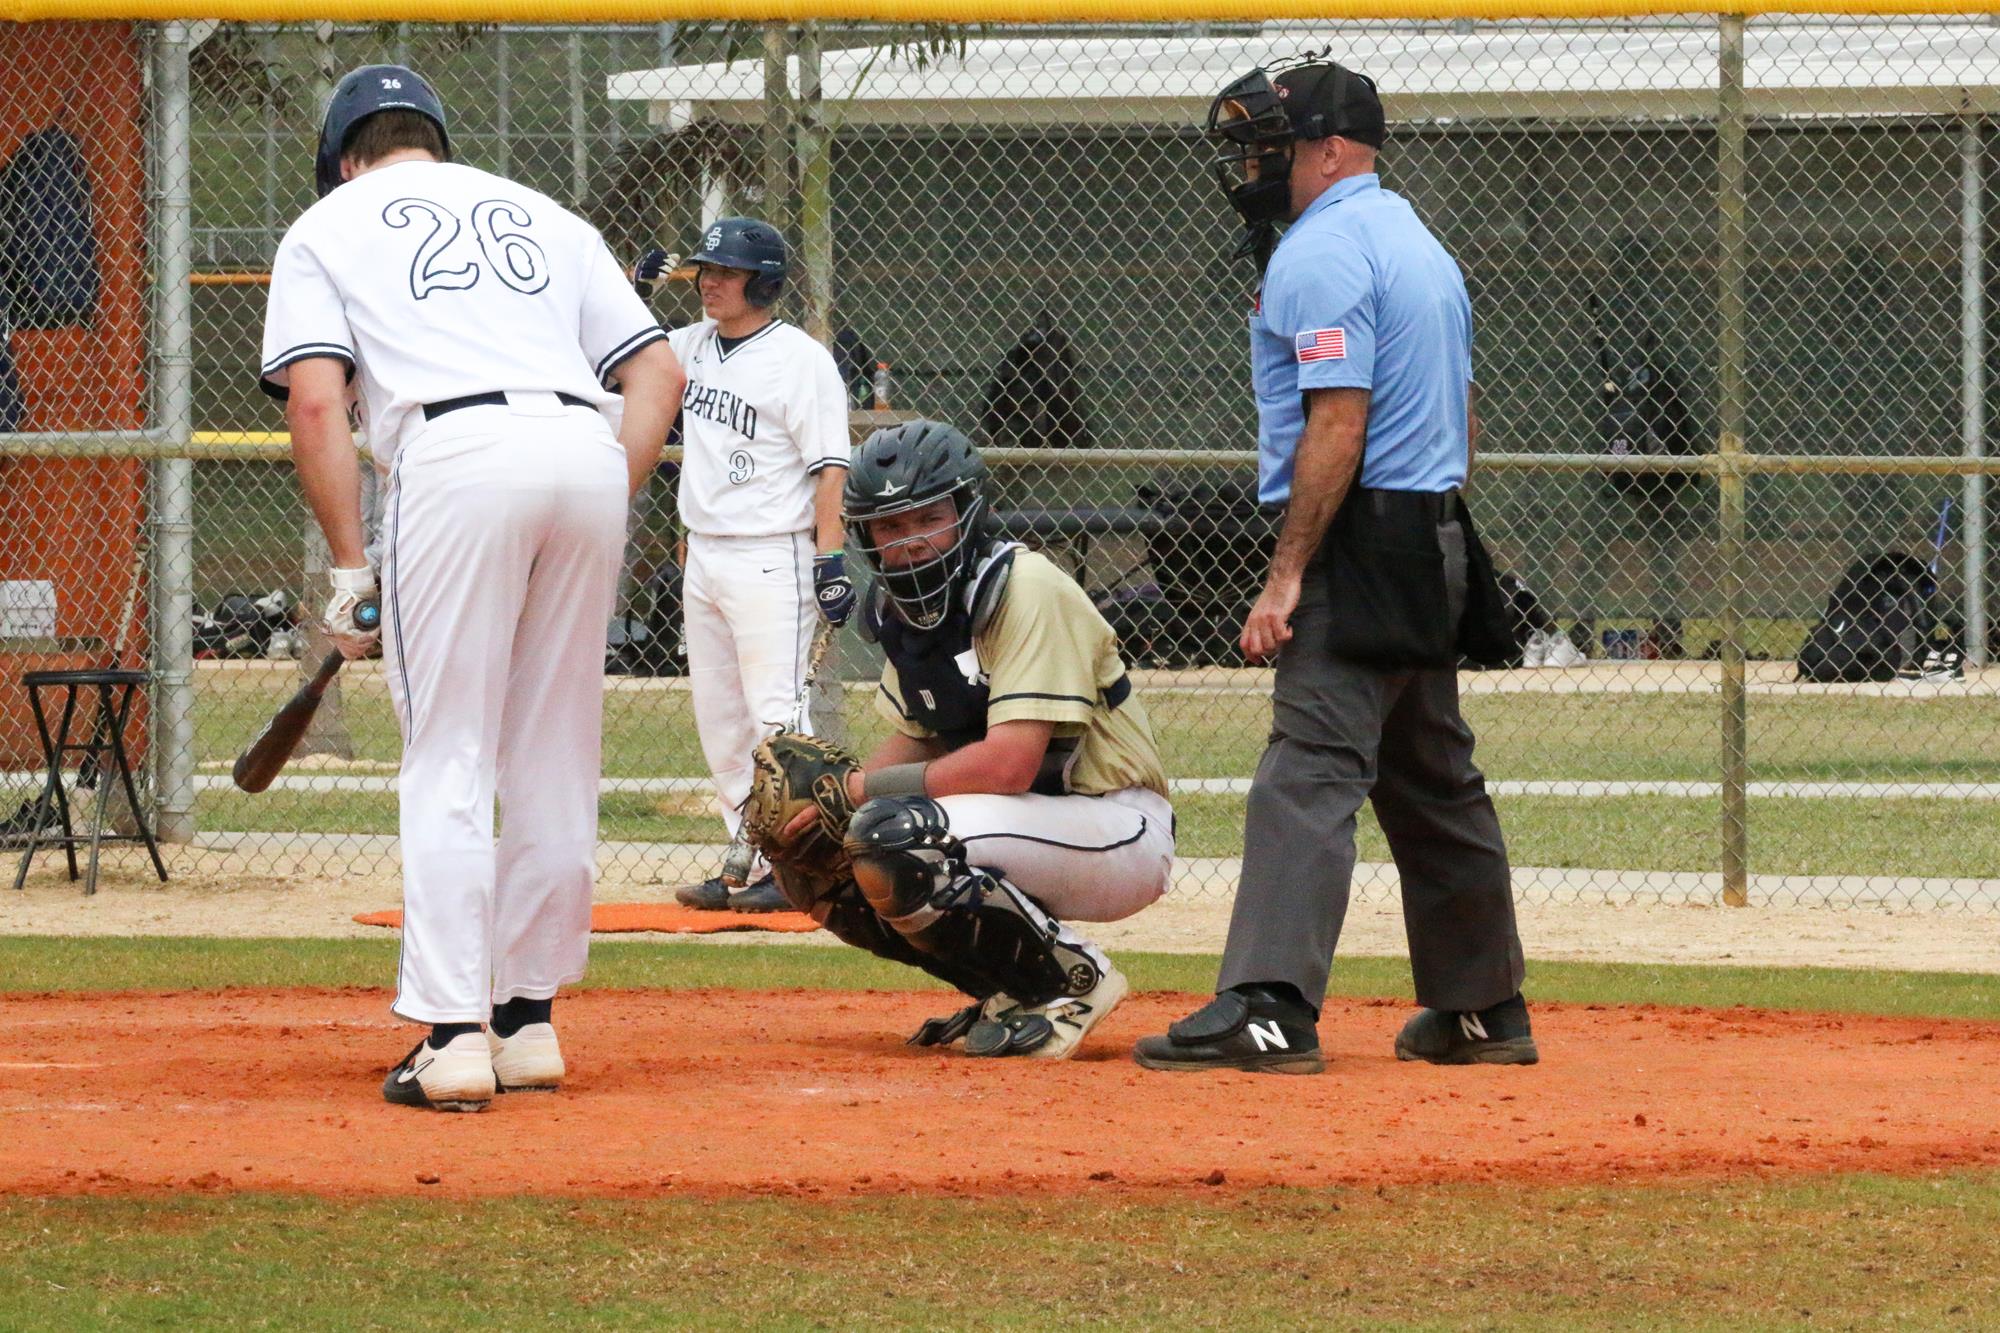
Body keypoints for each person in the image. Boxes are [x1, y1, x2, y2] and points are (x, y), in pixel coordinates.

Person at [260, 65, 683, 1110]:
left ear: (345, 158)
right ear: (433, 141)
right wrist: (587, 491)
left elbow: (318, 406)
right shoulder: (545, 212)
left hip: (452, 450)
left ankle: (451, 1035)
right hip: (585, 445)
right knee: (551, 746)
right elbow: (658, 373)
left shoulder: (328, 222)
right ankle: (527, 1020)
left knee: (449, 750)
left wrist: (352, 565)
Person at [1134, 56, 1533, 1074]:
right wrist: (1433, 529)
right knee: (1432, 779)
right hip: (1429, 528)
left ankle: (1267, 1009)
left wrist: (1285, 575)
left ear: (1330, 149)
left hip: (1360, 540)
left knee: (1307, 771)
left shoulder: (1321, 248)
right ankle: (1482, 1009)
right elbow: (1464, 413)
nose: (1251, 163)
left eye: (1268, 142)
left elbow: (1337, 421)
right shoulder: (1415, 241)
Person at [781, 418, 1174, 1059]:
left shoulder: (1024, 586)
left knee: (894, 833)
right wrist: (828, 805)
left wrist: (857, 792)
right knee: (817, 852)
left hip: (1116, 825)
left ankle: (1075, 980)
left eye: (926, 518)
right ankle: (1011, 989)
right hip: (1028, 823)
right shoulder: (902, 612)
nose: (908, 542)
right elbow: (914, 740)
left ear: (967, 510)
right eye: (889, 527)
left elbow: (1011, 763)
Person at [655, 218, 855, 913]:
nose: (709, 280)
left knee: (778, 717)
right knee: (722, 721)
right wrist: (637, 284)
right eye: (706, 268)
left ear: (762, 282)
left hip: (772, 551)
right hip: (704, 552)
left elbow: (830, 466)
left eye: (726, 271)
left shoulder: (799, 360)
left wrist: (830, 558)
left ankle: (800, 867)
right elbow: (615, 354)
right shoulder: (691, 345)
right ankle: (744, 859)